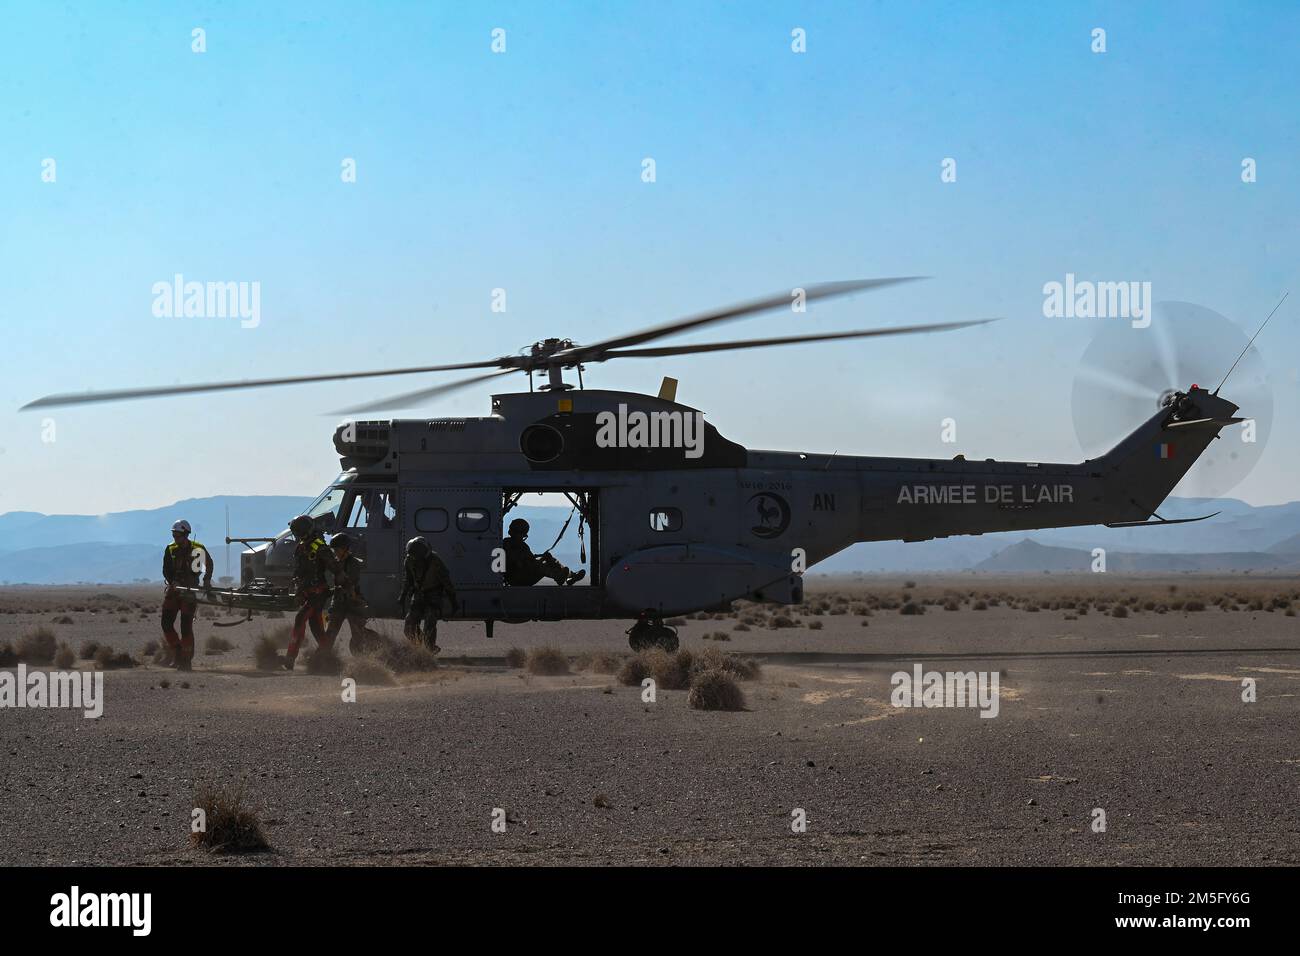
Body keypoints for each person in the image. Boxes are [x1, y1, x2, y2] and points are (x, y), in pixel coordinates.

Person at [284, 514, 340, 670]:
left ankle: (290, 658)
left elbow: (334, 567)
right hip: (308, 592)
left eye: (296, 532)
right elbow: (298, 571)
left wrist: (343, 581)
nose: (296, 536)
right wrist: (297, 586)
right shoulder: (302, 546)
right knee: (316, 628)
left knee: (300, 618)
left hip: (318, 593)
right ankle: (328, 658)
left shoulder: (318, 545)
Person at [161, 519, 213, 671]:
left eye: (178, 536)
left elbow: (209, 564)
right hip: (174, 590)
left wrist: (207, 580)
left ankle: (186, 660)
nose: (175, 539)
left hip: (190, 592)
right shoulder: (170, 549)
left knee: (185, 627)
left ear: (186, 534)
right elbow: (165, 569)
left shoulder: (198, 548)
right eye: (174, 536)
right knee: (166, 623)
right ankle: (177, 651)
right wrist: (172, 581)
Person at [323, 533, 383, 656]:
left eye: (337, 549)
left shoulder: (353, 563)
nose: (336, 552)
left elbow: (350, 582)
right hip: (339, 601)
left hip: (352, 601)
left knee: (358, 633)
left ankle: (369, 655)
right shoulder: (336, 563)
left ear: (345, 549)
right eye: (334, 550)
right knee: (330, 632)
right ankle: (323, 658)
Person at [399, 536, 457, 653]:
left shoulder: (435, 561)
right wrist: (403, 595)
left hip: (433, 596)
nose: (416, 556)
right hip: (418, 596)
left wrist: (453, 601)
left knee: (430, 622)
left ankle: (429, 649)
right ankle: (422, 646)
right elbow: (408, 580)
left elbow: (446, 582)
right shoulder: (409, 560)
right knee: (409, 625)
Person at [501, 518, 585, 587]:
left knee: (549, 560)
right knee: (543, 566)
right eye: (522, 534)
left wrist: (543, 558)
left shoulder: (521, 546)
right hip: (517, 579)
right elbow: (521, 565)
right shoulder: (507, 546)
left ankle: (569, 576)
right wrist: (540, 560)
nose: (522, 537)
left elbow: (529, 561)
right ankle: (561, 576)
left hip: (521, 576)